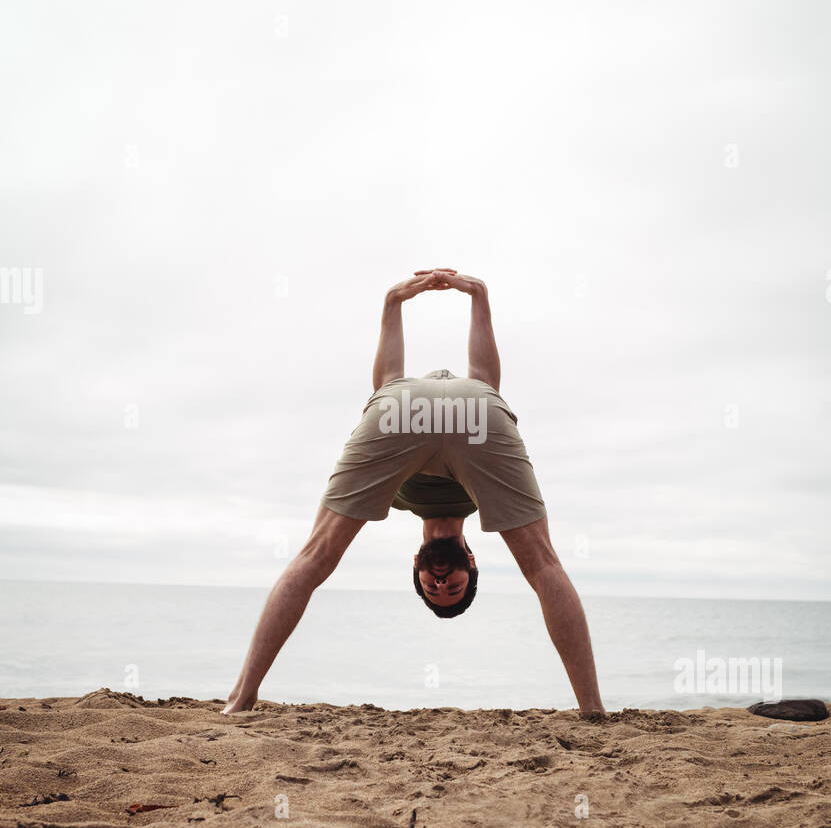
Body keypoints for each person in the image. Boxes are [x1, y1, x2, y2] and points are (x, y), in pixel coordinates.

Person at [223, 269, 604, 714]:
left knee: (316, 554)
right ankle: (593, 710)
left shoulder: (400, 494)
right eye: (453, 587)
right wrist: (478, 297)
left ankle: (241, 698)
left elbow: (387, 382)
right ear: (472, 563)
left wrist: (393, 303)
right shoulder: (476, 493)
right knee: (542, 563)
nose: (441, 581)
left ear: (417, 569)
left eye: (433, 587)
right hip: (476, 407)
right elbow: (483, 380)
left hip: (402, 406)